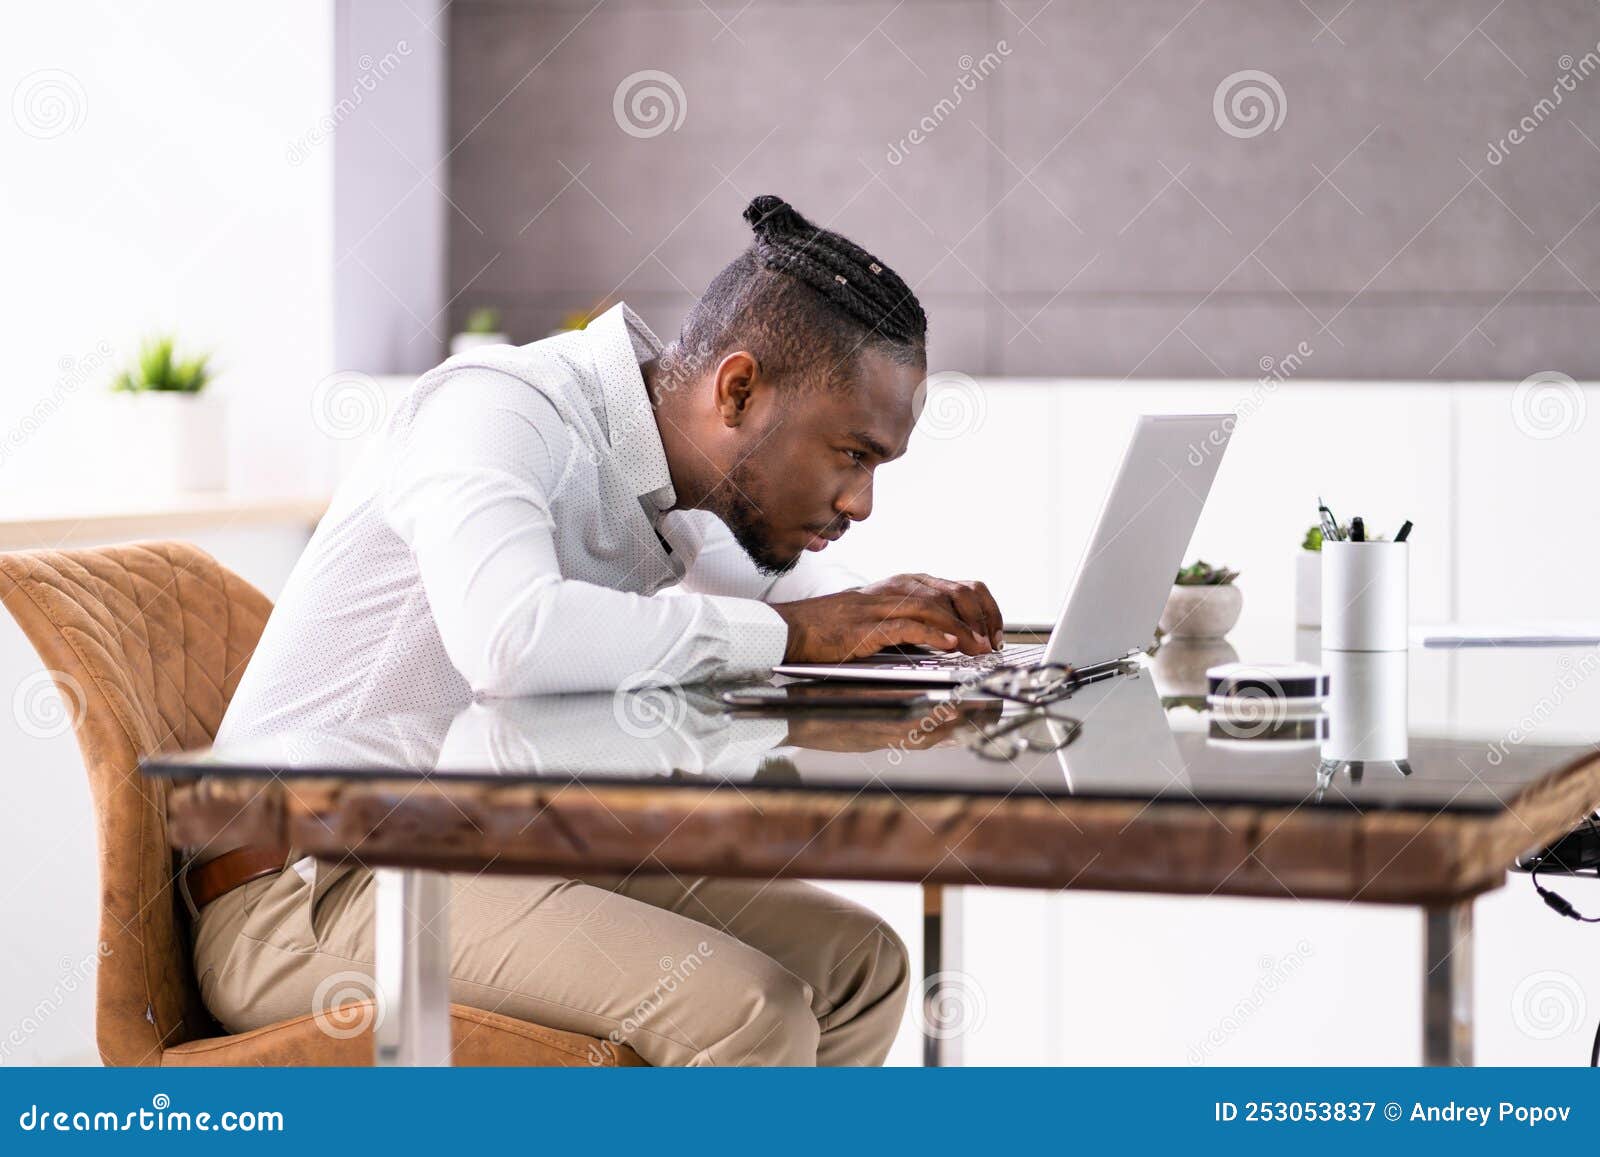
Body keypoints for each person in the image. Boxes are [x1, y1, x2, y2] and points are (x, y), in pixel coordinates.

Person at [190, 194, 1004, 1065]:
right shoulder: (496, 409)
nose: (861, 502)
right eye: (853, 454)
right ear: (738, 389)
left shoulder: (679, 483)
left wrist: (903, 621)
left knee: (860, 967)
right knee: (751, 1013)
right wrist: (796, 633)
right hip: (311, 893)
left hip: (484, 853)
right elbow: (512, 634)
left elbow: (795, 598)